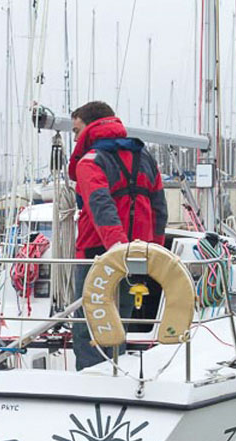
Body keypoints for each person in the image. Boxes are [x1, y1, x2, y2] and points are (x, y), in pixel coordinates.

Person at [67, 101, 168, 369]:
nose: (75, 138)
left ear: (91, 126)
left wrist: (117, 251)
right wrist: (153, 252)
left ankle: (92, 378)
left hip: (98, 256)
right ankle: (117, 373)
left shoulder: (90, 162)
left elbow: (101, 207)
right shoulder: (145, 158)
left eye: (76, 130)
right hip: (136, 256)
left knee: (90, 325)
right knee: (120, 320)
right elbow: (159, 209)